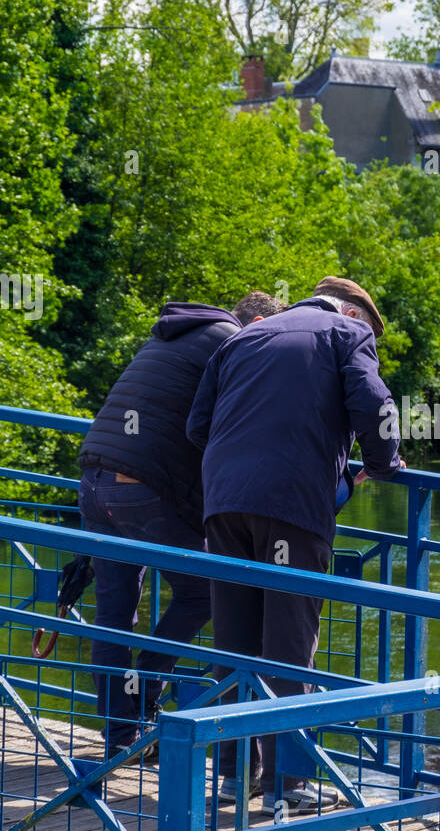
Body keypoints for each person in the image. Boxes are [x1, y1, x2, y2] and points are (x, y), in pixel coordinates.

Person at [186, 277, 404, 813]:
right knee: (289, 645)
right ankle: (287, 787)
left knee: (235, 645)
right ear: (353, 312)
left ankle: (235, 778)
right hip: (290, 505)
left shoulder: (243, 338)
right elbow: (375, 406)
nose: (367, 333)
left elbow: (197, 427)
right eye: (368, 326)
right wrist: (380, 463)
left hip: (224, 503)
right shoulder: (344, 334)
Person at [79, 291, 286, 758]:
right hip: (142, 487)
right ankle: (143, 696)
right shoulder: (233, 340)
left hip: (94, 478)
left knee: (114, 615)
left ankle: (121, 737)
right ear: (255, 322)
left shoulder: (178, 330)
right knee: (204, 592)